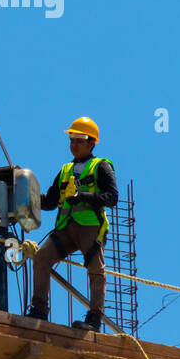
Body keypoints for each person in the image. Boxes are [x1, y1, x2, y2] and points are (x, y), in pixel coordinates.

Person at [26, 116, 117, 331]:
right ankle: (39, 309)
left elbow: (112, 197)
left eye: (79, 140)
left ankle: (94, 319)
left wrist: (84, 196)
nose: (73, 145)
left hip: (90, 228)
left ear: (91, 142)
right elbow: (49, 201)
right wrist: (27, 195)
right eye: (71, 140)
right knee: (41, 257)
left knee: (96, 270)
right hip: (66, 227)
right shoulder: (66, 170)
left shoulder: (100, 166)